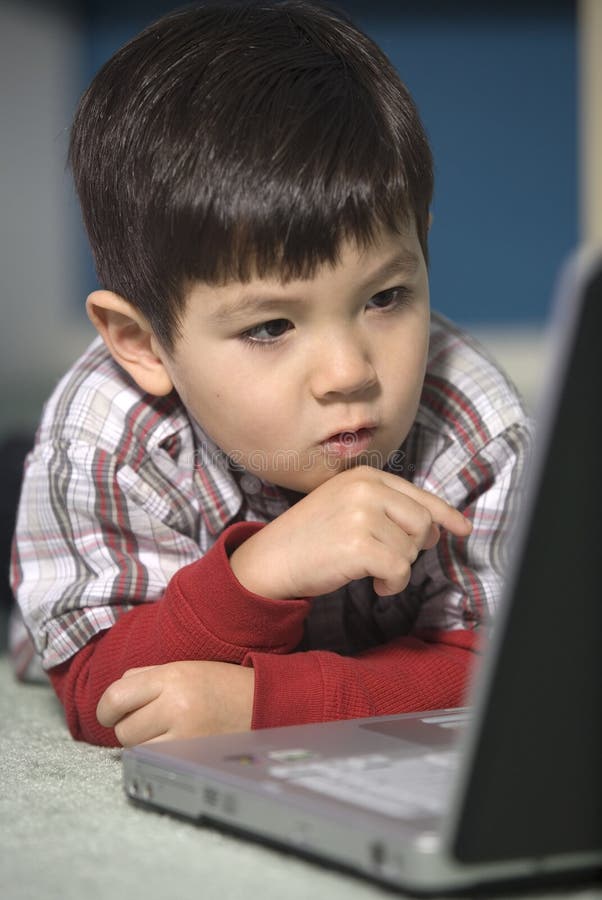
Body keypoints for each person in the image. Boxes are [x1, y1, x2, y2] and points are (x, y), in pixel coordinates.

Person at [10, 0, 531, 748]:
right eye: (270, 327)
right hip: (108, 529)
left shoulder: (474, 422)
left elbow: (507, 671)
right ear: (143, 343)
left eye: (385, 297)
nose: (349, 374)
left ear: (423, 249)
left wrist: (269, 704)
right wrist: (258, 573)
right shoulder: (103, 438)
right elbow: (101, 697)